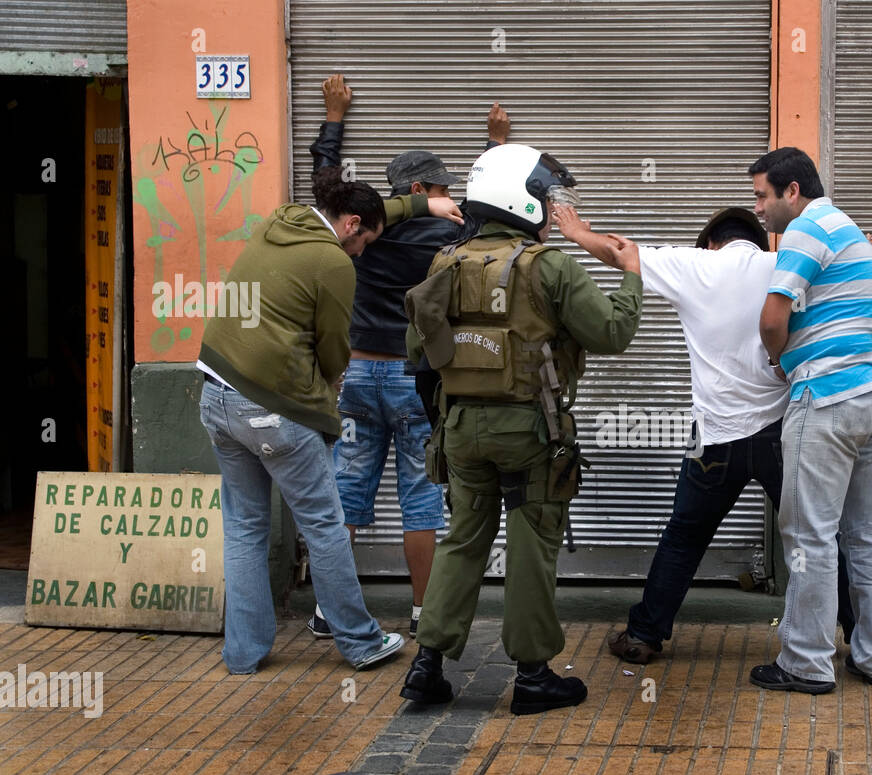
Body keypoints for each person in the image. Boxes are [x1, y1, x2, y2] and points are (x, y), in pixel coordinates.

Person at [551, 204, 872, 665]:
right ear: (757, 240)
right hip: (781, 432)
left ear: (711, 242)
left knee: (684, 537)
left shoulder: (695, 266)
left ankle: (644, 634)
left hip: (715, 437)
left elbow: (622, 254)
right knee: (819, 534)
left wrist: (575, 232)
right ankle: (859, 637)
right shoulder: (781, 265)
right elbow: (840, 277)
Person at [400, 143, 643, 714]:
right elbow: (611, 333)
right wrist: (632, 277)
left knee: (462, 542)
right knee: (534, 544)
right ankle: (533, 678)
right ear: (523, 201)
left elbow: (418, 351)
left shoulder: (444, 262)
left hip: (459, 431)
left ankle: (427, 665)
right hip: (532, 431)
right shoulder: (550, 267)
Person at [196, 166, 464, 674]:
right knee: (324, 524)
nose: (363, 253)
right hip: (273, 410)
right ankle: (361, 643)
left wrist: (422, 205)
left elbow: (372, 212)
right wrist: (325, 403)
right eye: (363, 242)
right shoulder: (335, 264)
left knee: (245, 527)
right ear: (350, 226)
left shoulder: (282, 221)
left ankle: (243, 654)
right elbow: (333, 349)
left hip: (216, 395)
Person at [304, 73, 511, 640]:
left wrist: (334, 117)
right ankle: (423, 612)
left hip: (358, 376)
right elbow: (493, 207)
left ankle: (329, 611)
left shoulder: (361, 227)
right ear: (427, 188)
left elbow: (323, 183)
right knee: (420, 498)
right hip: (412, 379)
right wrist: (494, 144)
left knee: (347, 492)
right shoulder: (455, 230)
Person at [747, 146, 872, 694]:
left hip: (829, 397)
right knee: (865, 532)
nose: (759, 210)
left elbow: (773, 317)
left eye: (763, 196)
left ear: (793, 191)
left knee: (808, 535)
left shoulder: (805, 231)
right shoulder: (849, 230)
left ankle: (805, 662)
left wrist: (776, 356)